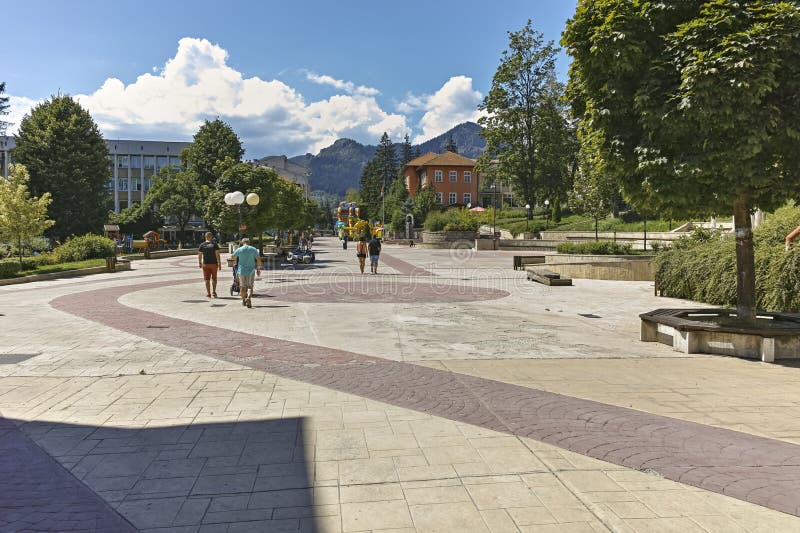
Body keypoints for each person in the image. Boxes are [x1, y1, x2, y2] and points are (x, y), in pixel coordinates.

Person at [232, 237, 262, 308]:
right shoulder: (253, 249)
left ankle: (243, 300)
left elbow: (233, 257)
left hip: (241, 270)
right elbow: (258, 259)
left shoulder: (239, 249)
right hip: (251, 270)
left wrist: (235, 262)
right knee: (250, 286)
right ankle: (248, 298)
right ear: (249, 242)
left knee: (242, 286)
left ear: (242, 243)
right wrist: (258, 269)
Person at [198, 232, 221, 298]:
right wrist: (219, 263)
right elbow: (217, 254)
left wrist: (199, 262)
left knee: (207, 279)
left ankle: (208, 294)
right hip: (214, 264)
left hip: (206, 264)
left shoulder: (202, 245)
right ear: (211, 237)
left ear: (205, 237)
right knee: (214, 278)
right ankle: (214, 292)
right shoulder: (215, 244)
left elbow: (199, 254)